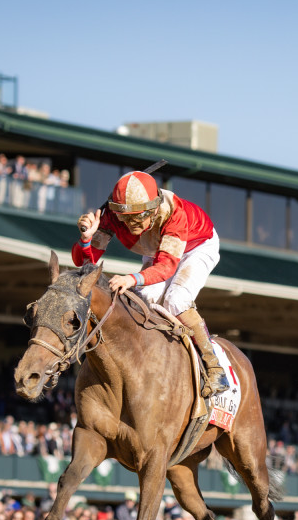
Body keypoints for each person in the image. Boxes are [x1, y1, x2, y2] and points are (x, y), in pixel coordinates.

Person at [74, 170, 230, 398]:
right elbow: (85, 265)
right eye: (125, 218)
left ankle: (213, 366)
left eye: (138, 218)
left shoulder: (174, 213)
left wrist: (132, 278)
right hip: (156, 248)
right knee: (141, 300)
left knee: (176, 300)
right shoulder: (110, 215)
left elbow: (167, 266)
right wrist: (86, 239)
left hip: (196, 246)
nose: (129, 225)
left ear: (155, 208)